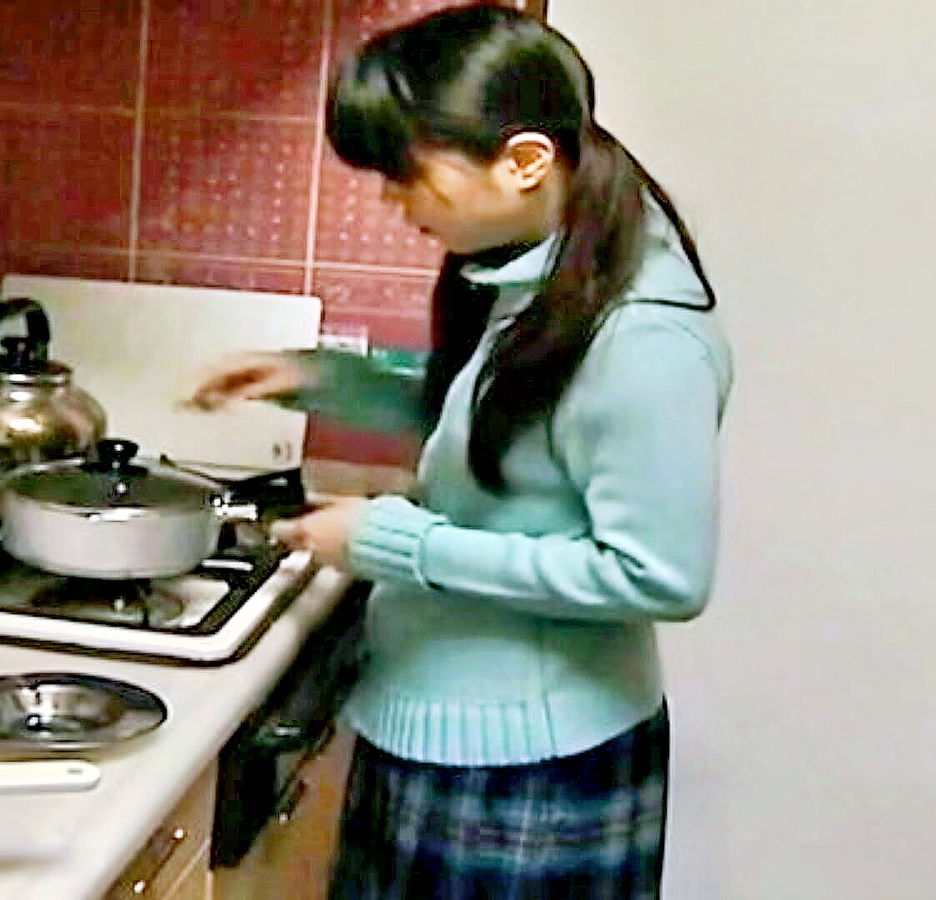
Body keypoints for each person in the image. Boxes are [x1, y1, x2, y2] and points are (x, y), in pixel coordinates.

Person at [189, 4, 731, 898]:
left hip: (531, 777)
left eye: (405, 174)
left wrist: (395, 543)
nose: (392, 201)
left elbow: (658, 576)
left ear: (525, 161)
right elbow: (503, 411)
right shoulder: (542, 271)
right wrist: (322, 378)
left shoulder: (645, 339)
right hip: (439, 725)